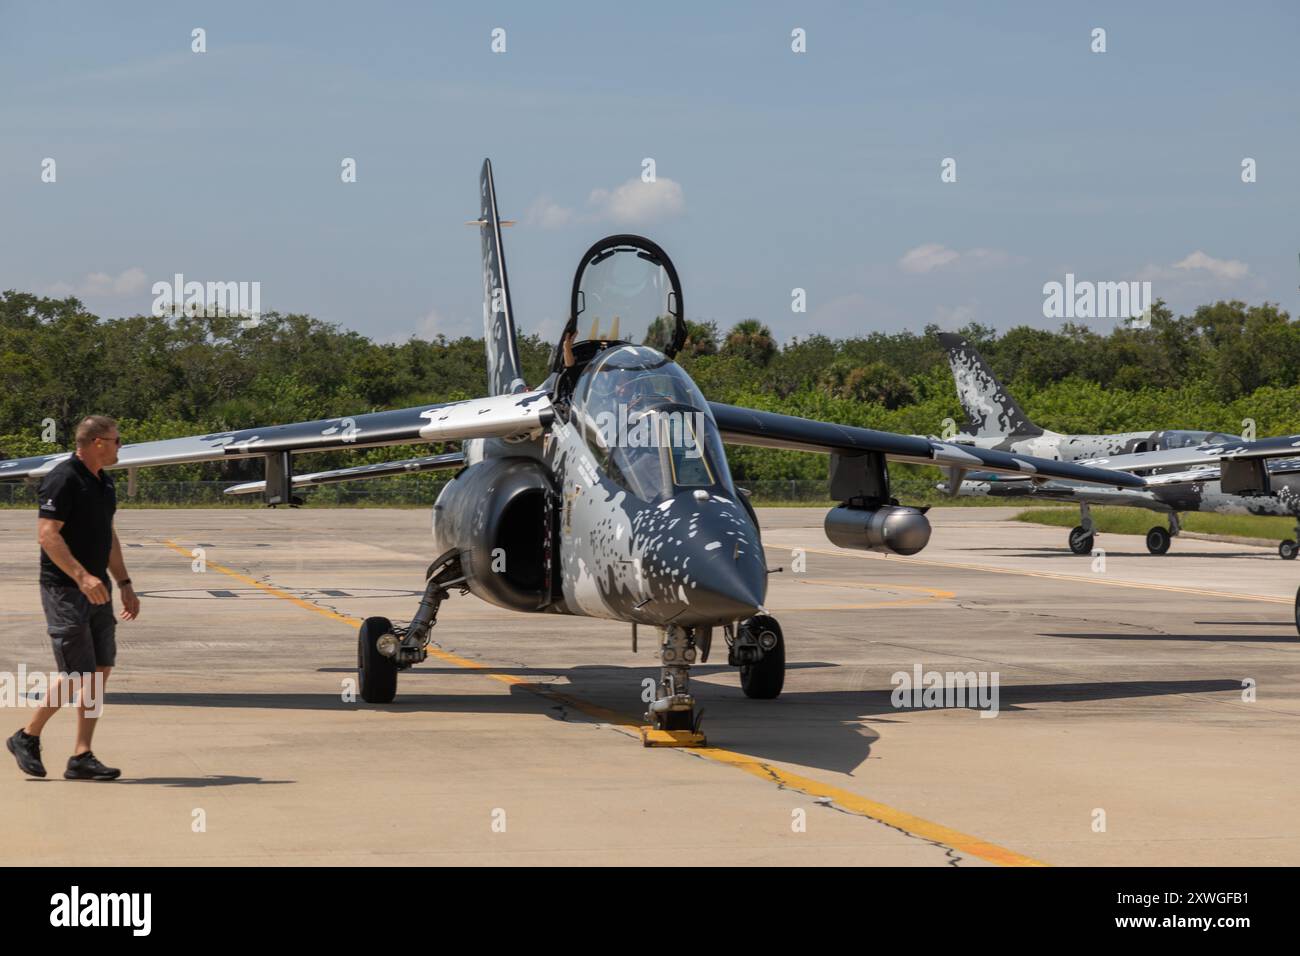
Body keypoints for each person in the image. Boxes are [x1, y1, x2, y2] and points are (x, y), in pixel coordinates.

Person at [6, 415, 138, 780]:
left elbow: (107, 536)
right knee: (76, 671)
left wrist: (124, 582)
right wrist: (81, 577)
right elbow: (47, 535)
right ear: (97, 442)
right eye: (116, 440)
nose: (119, 446)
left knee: (99, 671)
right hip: (65, 588)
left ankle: (82, 755)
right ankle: (26, 735)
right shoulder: (64, 478)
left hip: (97, 587)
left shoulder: (104, 483)